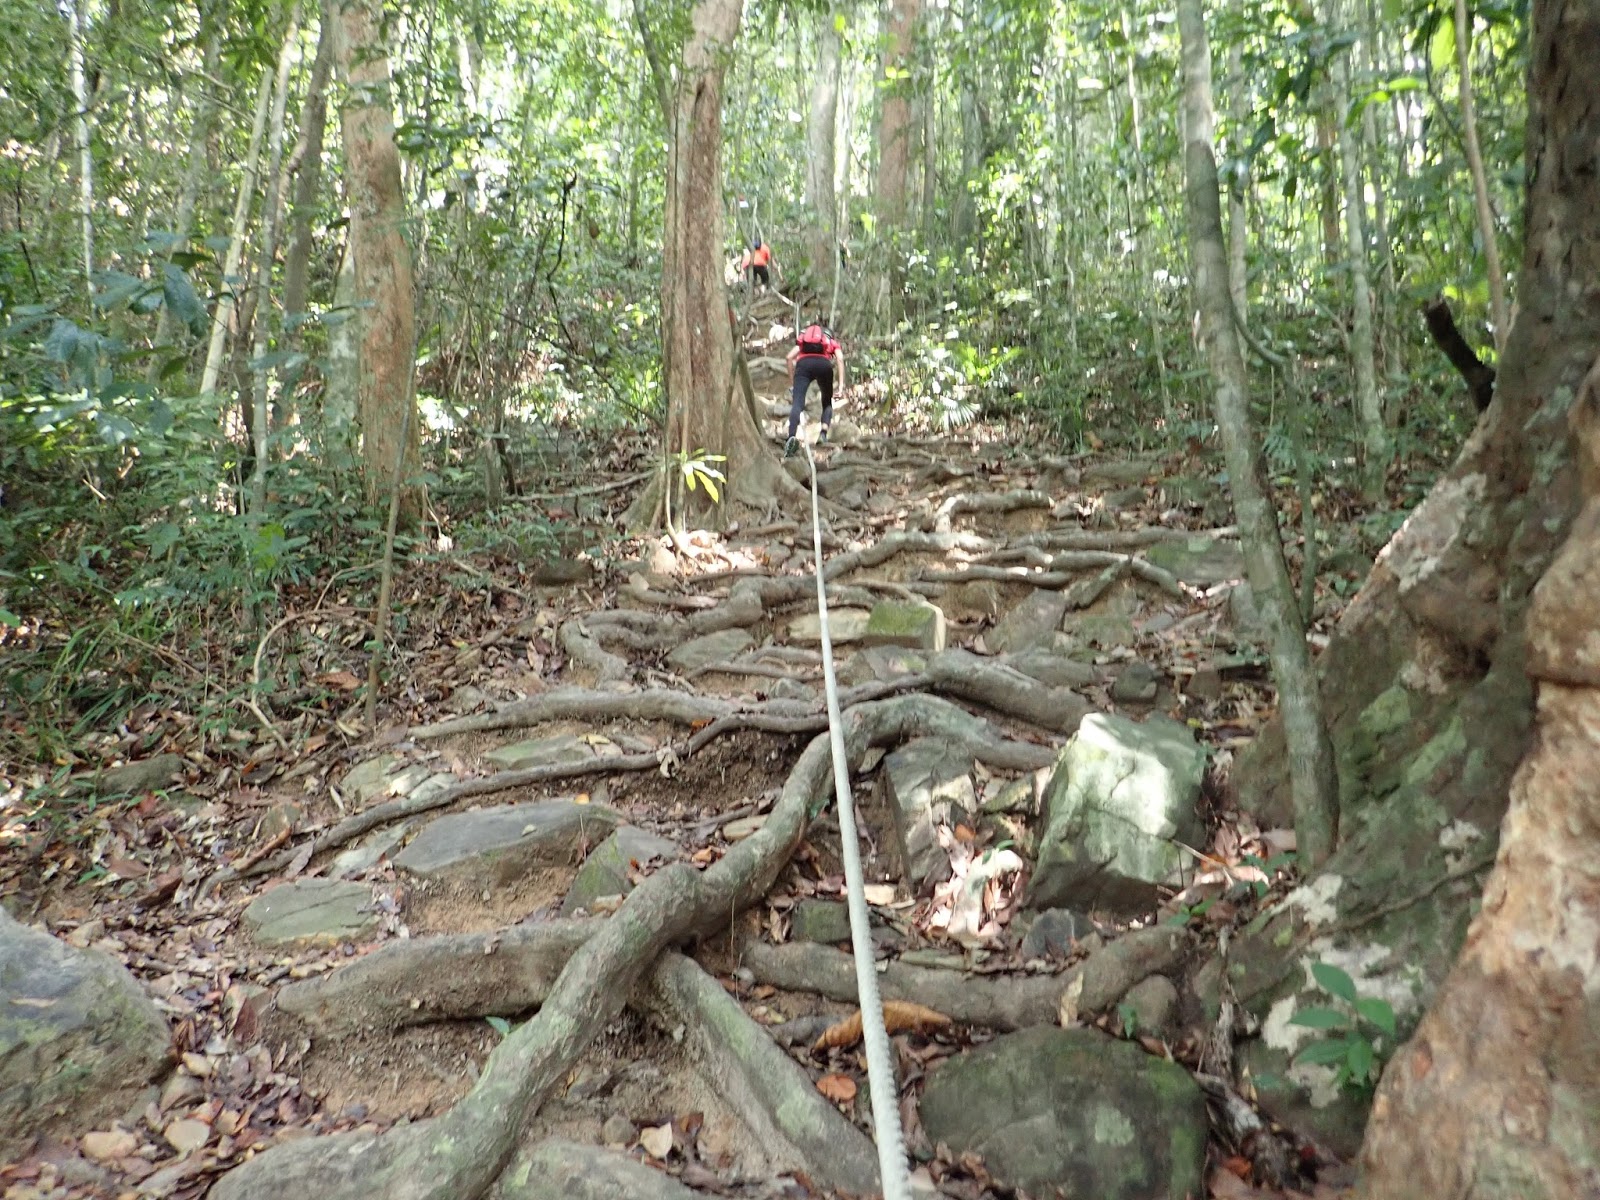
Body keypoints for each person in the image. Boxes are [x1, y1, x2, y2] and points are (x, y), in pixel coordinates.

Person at [784, 322, 844, 458]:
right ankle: (823, 435)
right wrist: (840, 387)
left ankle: (791, 437)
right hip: (824, 366)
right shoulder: (831, 342)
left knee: (797, 403)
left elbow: (789, 357)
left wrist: (793, 384)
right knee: (826, 402)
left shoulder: (804, 341)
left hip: (803, 365)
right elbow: (840, 359)